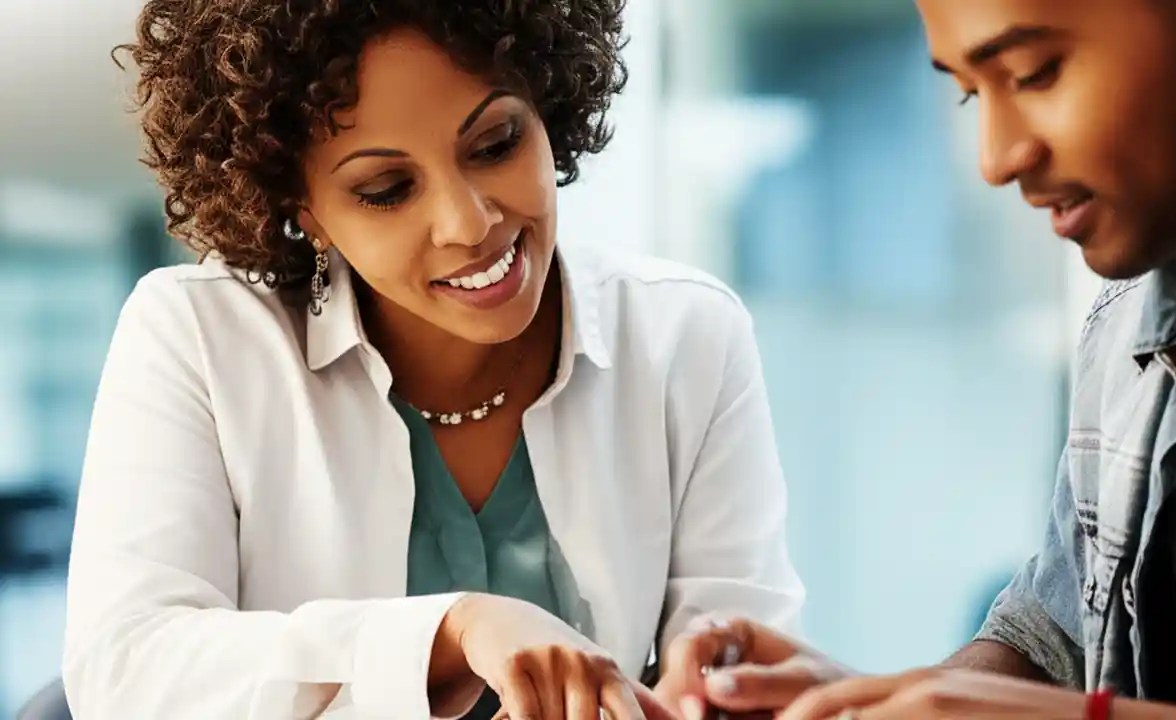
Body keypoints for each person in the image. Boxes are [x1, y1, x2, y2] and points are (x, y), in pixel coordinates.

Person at [62, 2, 804, 718]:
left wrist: (711, 690)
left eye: (496, 144)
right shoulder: (198, 336)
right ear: (303, 209)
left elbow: (742, 657)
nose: (468, 222)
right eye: (386, 191)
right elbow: (126, 673)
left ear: (547, 106)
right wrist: (451, 635)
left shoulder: (686, 335)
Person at [657, 0, 1176, 718]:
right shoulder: (1131, 331)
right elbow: (1057, 645)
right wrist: (867, 702)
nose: (997, 157)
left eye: (1034, 72)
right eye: (969, 93)